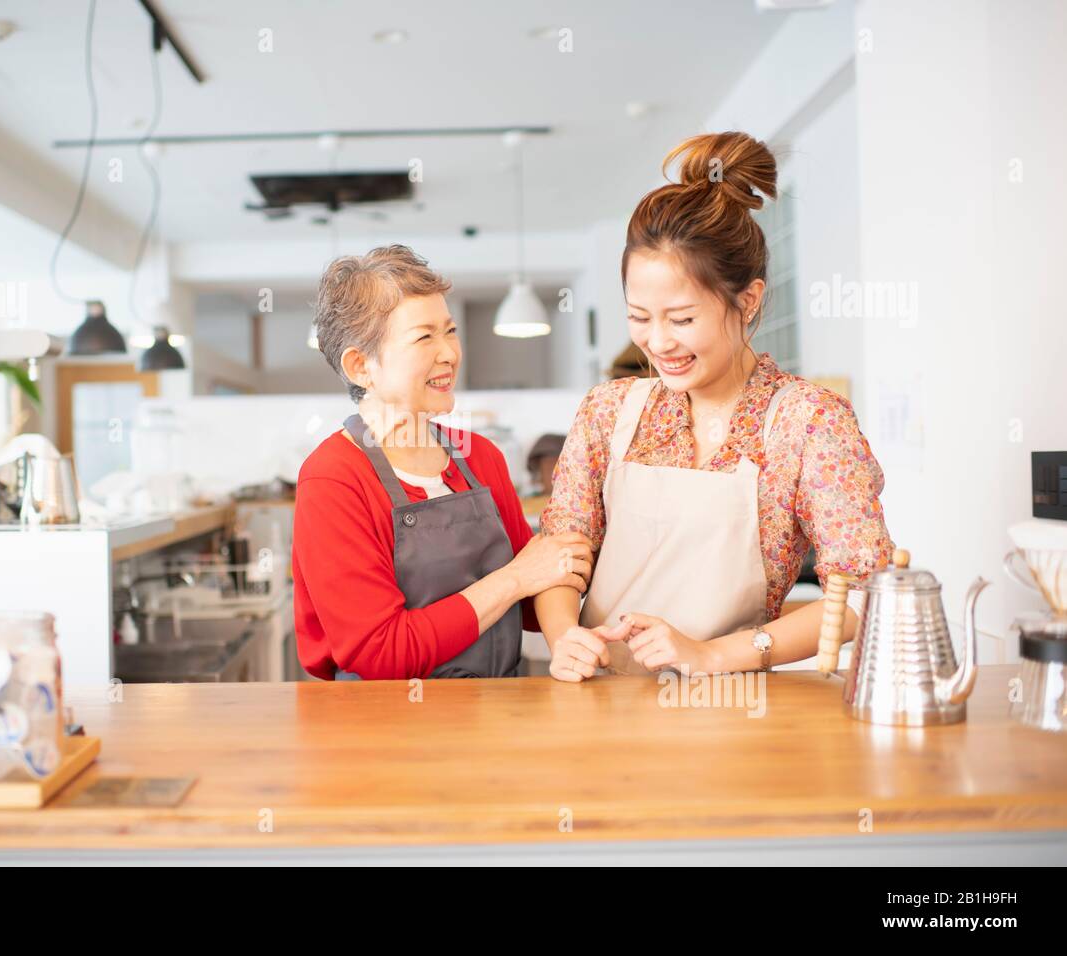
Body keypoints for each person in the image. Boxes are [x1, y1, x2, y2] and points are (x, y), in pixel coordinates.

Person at [536, 131, 893, 682]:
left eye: (682, 319)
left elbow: (864, 595)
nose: (657, 342)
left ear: (746, 301)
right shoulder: (607, 412)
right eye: (639, 316)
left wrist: (712, 655)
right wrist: (565, 639)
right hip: (597, 704)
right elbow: (561, 554)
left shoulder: (809, 422)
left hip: (731, 712)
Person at [293, 245, 597, 680]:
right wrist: (515, 578)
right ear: (361, 366)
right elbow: (381, 651)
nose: (450, 353)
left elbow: (529, 605)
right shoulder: (334, 479)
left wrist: (564, 572)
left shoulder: (481, 458)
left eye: (450, 331)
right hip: (385, 730)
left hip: (495, 714)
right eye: (424, 337)